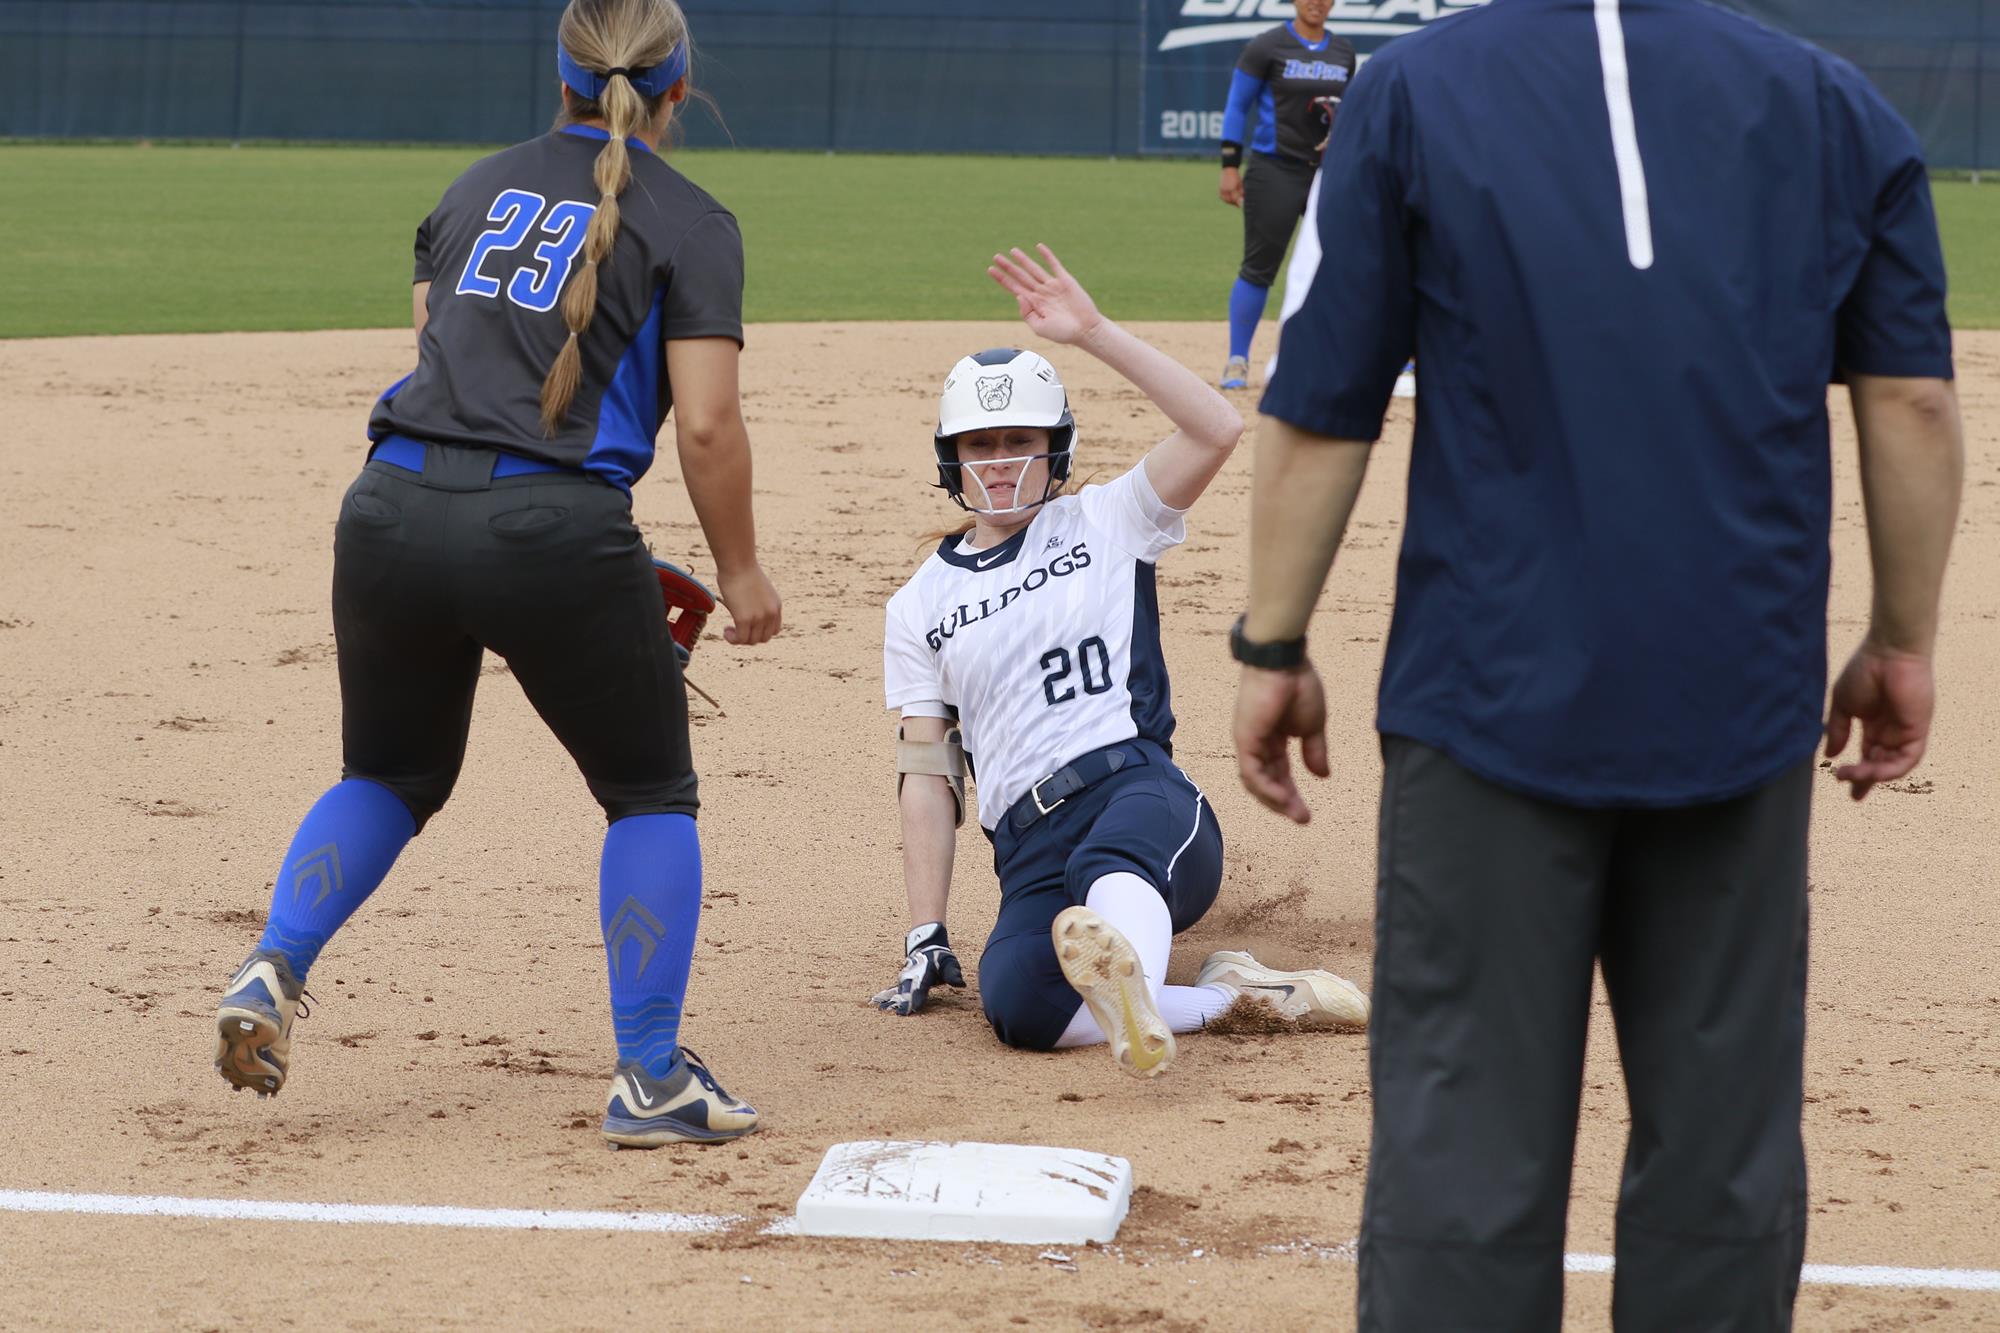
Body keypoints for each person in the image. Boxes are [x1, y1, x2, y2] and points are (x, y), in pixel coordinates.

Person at [1230, 2, 1961, 1328]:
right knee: (1721, 1154)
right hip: (1735, 704)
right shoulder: (1837, 107)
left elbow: (1320, 403)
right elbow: (1908, 398)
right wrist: (1902, 638)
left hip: (1484, 697)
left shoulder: (1410, 93)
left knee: (1463, 1150)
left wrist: (1271, 642)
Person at [212, 0, 782, 1150]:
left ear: (561, 74)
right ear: (679, 87)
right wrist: (743, 572)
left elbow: (440, 349)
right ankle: (652, 1079)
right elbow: (708, 430)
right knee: (647, 794)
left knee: (386, 772)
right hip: (551, 531)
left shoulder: (472, 188)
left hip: (388, 513)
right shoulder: (691, 218)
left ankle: (273, 965)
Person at [875, 244, 1368, 1078]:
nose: (1000, 461)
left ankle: (1125, 979)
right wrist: (928, 928)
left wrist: (1095, 331)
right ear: (950, 459)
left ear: (1057, 445)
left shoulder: (1108, 521)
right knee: (1021, 1007)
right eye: (980, 443)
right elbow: (928, 773)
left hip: (1138, 796)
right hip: (1027, 849)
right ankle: (1239, 996)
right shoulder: (918, 602)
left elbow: (1218, 426)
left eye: (1020, 439)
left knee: (1113, 865)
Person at [1216, 0, 1354, 390]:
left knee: (1341, 265)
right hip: (1275, 170)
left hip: (1328, 174)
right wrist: (1230, 165)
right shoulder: (1268, 45)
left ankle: (1336, 355)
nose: (1317, 2)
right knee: (1259, 266)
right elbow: (1237, 104)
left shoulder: (1342, 52)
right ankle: (1238, 359)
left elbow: (1352, 109)